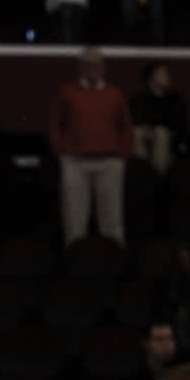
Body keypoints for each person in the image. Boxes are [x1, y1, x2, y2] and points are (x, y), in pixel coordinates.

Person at [55, 46, 135, 246]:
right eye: (87, 65)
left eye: (96, 65)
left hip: (109, 162)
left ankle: (114, 265)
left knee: (112, 222)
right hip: (75, 163)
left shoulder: (114, 94)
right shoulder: (67, 92)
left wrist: (121, 156)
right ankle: (74, 266)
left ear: (103, 67)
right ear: (80, 67)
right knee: (74, 222)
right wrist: (62, 153)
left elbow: (126, 126)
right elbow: (55, 123)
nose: (92, 69)